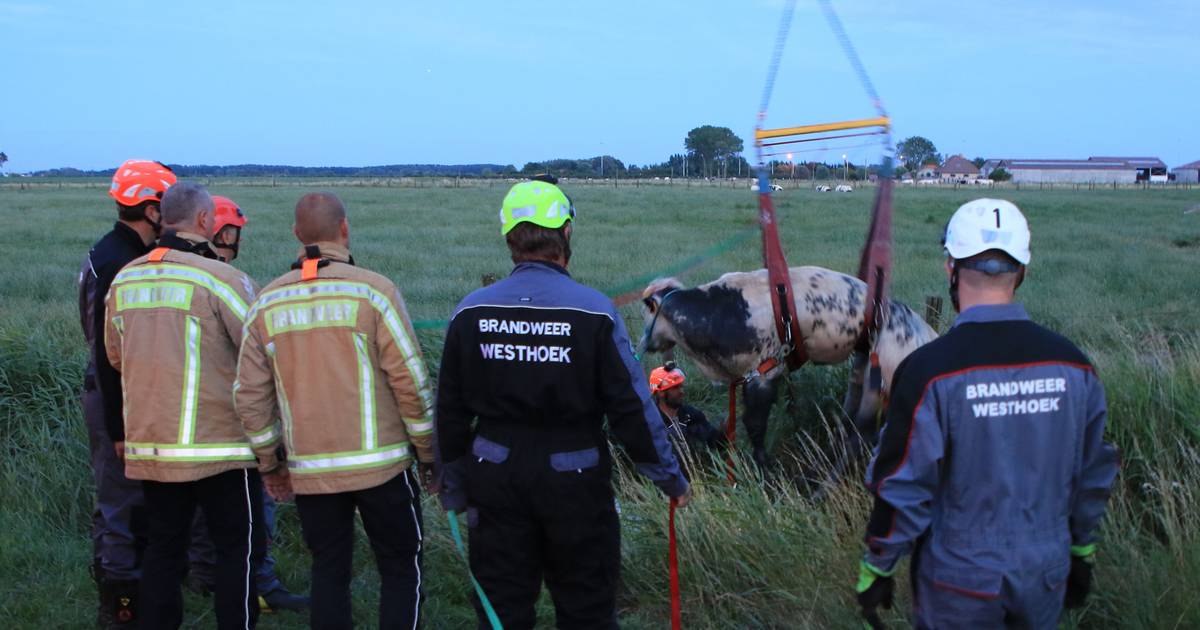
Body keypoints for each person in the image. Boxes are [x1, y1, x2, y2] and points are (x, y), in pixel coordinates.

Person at [436, 178, 692, 629]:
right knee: (586, 610)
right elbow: (631, 408)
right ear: (567, 233)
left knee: (502, 611)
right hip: (575, 479)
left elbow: (450, 410)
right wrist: (670, 479)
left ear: (509, 238)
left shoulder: (470, 312)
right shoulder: (593, 312)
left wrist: (454, 487)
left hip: (494, 474)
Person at [854, 199, 1119, 629]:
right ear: (1023, 272)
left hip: (959, 580)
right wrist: (1081, 553)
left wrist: (878, 567)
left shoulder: (927, 372)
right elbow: (1093, 474)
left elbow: (902, 484)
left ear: (950, 270)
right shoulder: (1074, 365)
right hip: (1046, 574)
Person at [234, 192, 436, 629]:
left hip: (311, 472)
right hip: (383, 468)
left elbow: (249, 397)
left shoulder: (266, 303)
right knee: (401, 567)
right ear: (345, 229)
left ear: (295, 235)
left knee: (328, 570)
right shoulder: (375, 292)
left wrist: (270, 465)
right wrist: (427, 453)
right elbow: (411, 383)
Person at [104, 182, 265, 629]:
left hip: (152, 446)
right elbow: (261, 350)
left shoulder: (126, 278)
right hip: (220, 450)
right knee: (237, 550)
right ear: (203, 222)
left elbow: (114, 357)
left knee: (162, 548)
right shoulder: (222, 279)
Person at [184, 194, 310, 614]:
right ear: (219, 231)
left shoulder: (163, 274)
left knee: (200, 513)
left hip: (182, 423)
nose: (237, 240)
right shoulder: (224, 280)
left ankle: (204, 576)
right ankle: (261, 584)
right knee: (257, 506)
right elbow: (260, 347)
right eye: (234, 231)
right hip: (232, 418)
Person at [79, 158, 175, 628]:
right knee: (120, 502)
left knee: (129, 501)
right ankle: (121, 610)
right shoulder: (119, 261)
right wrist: (119, 425)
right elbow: (105, 353)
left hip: (120, 392)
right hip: (114, 394)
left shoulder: (113, 251)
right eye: (168, 207)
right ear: (152, 210)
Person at [648, 361, 727, 476]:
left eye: (681, 386)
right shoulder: (650, 422)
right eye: (675, 388)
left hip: (697, 479)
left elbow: (716, 444)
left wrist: (724, 433)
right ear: (660, 393)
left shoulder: (691, 415)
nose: (682, 392)